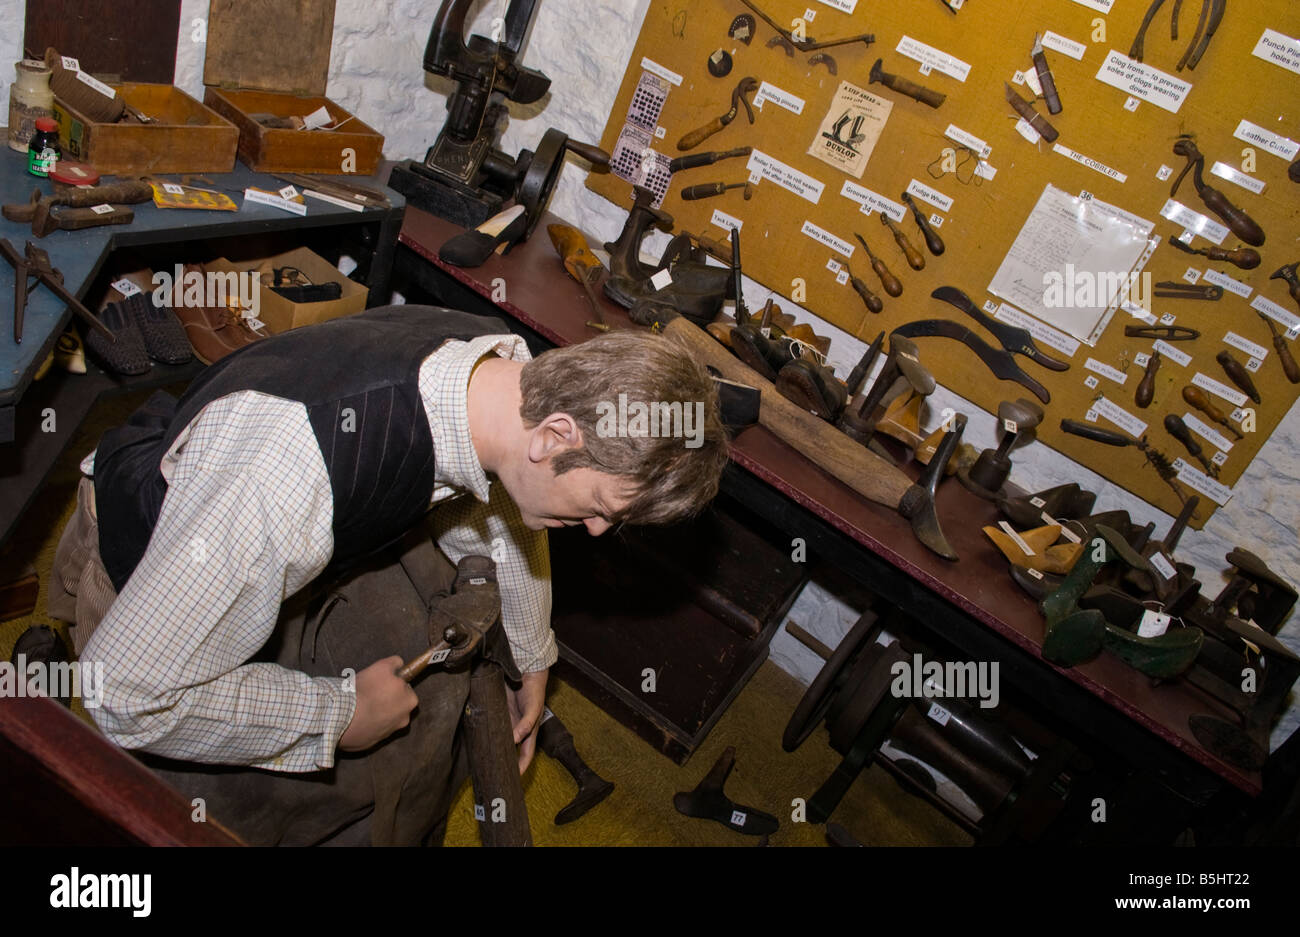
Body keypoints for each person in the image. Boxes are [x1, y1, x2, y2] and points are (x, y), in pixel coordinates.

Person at [49, 303, 728, 844]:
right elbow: (127, 693)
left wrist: (531, 651)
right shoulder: (285, 477)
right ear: (554, 434)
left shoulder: (499, 369)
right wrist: (338, 714)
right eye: (604, 508)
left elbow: (499, 504)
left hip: (252, 525)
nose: (600, 531)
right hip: (148, 563)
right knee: (157, 812)